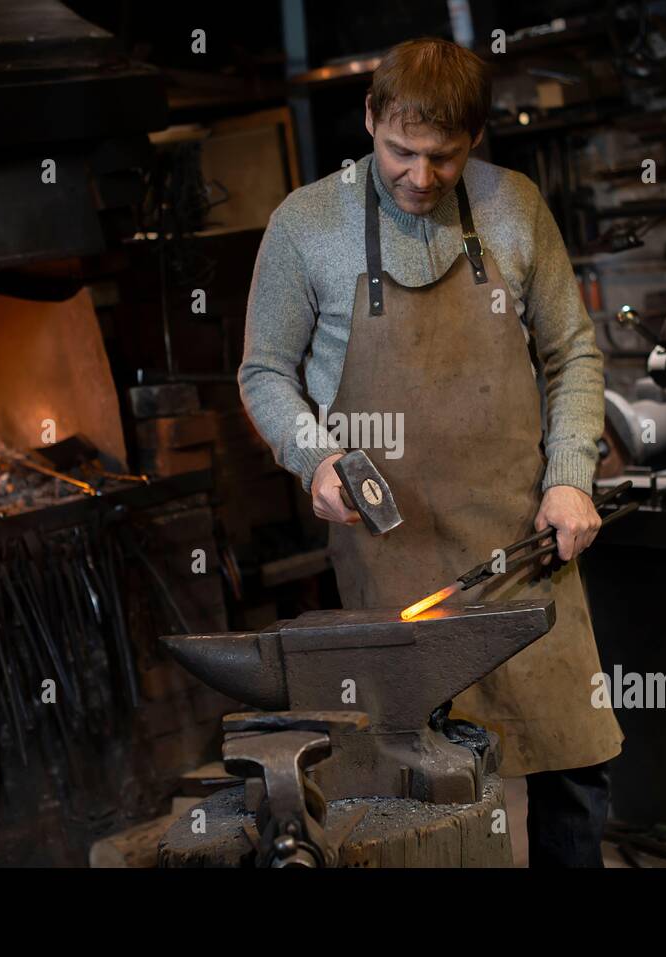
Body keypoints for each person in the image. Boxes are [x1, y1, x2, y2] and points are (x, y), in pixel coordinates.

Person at [238, 36, 622, 867]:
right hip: (394, 560)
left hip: (523, 550)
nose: (419, 176)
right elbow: (265, 371)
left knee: (574, 768)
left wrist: (568, 480)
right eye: (400, 152)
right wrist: (316, 459)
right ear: (370, 118)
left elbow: (572, 354)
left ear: (475, 138)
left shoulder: (514, 206)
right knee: (408, 797)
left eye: (442, 158)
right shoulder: (306, 224)